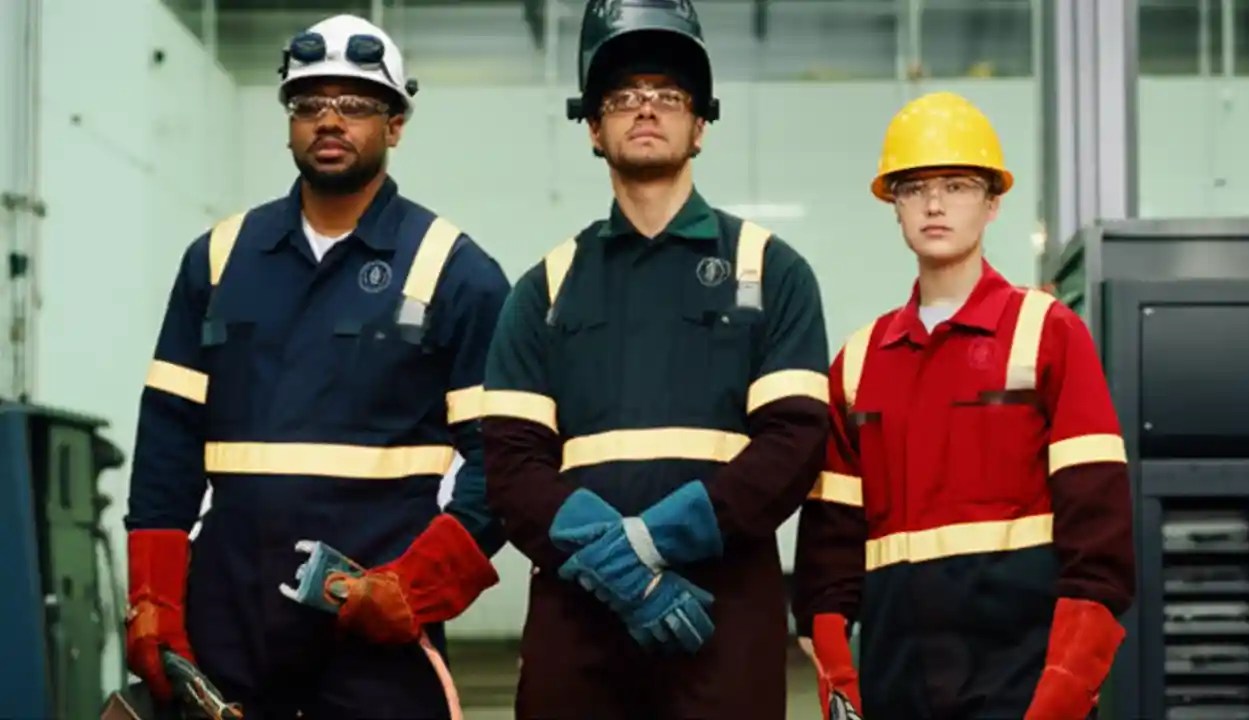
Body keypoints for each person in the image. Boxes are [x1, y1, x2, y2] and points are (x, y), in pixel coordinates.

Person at [122, 13, 508, 718]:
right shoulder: (218, 258)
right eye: (309, 105)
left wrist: (412, 589)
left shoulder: (455, 272)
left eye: (355, 105)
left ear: (395, 126)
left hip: (373, 629)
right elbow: (169, 440)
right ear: (290, 122)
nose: (329, 121)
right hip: (226, 628)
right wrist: (152, 597)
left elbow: (501, 461)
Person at [480, 0, 831, 717]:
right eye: (624, 97)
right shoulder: (544, 287)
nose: (646, 110)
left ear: (701, 125)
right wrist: (620, 569)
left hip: (721, 620)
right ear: (593, 128)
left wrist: (650, 539)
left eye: (668, 96)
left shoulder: (770, 271)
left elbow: (793, 444)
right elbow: (513, 467)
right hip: (576, 628)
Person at [791, 90, 1137, 720]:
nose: (934, 204)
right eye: (913, 187)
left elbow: (1100, 540)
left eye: (956, 185)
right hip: (898, 691)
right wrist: (841, 683)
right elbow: (828, 557)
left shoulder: (1048, 333)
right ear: (893, 205)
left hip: (1026, 691)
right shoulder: (860, 362)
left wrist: (1064, 693)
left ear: (992, 200)